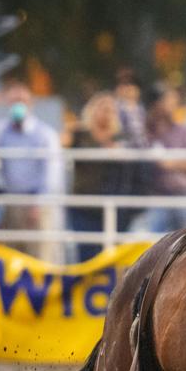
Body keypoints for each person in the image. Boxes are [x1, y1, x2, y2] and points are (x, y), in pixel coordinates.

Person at [67, 92, 136, 261]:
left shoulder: (121, 137)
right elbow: (62, 146)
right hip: (83, 205)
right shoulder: (79, 134)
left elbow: (129, 170)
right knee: (86, 254)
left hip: (113, 206)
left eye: (111, 109)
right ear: (92, 110)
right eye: (102, 108)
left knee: (111, 255)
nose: (106, 113)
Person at [0, 81, 60, 256]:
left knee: (40, 256)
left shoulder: (45, 134)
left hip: (37, 205)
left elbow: (51, 174)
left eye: (22, 100)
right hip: (11, 204)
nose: (18, 105)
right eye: (13, 101)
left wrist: (39, 203)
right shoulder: (1, 132)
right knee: (11, 258)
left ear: (31, 103)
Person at [139, 85, 186, 232]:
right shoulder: (145, 132)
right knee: (151, 237)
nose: (174, 104)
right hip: (156, 197)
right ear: (156, 103)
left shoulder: (183, 131)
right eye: (169, 100)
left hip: (183, 197)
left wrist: (172, 163)